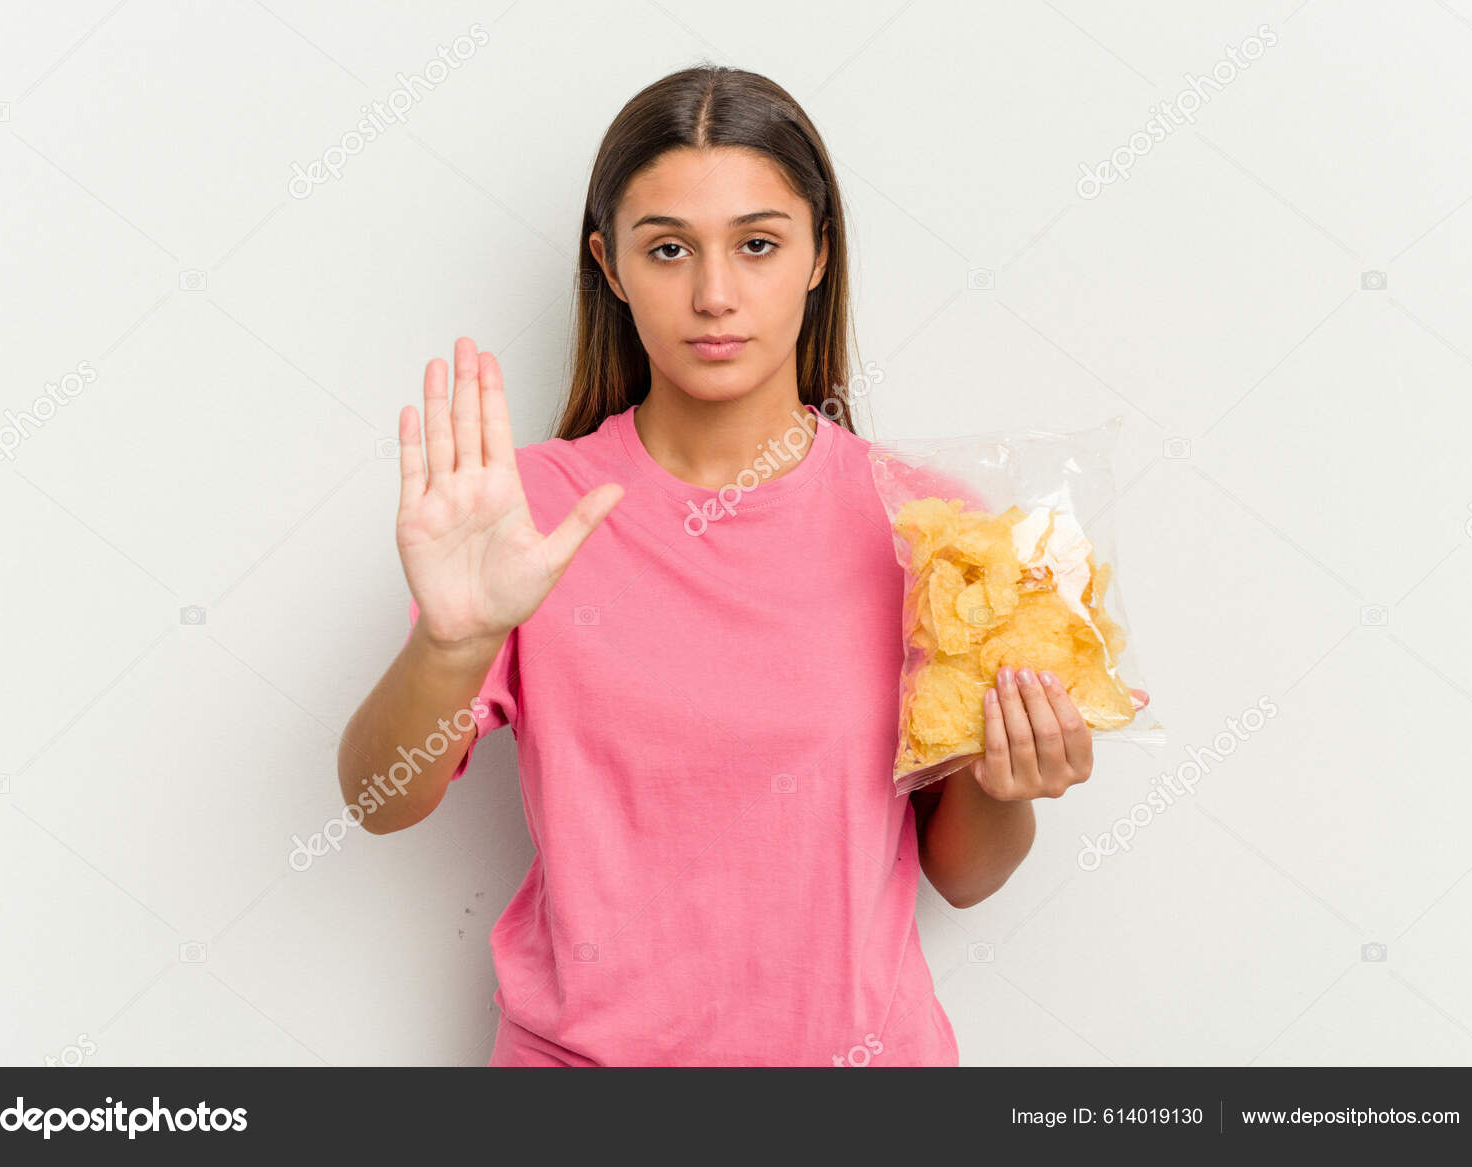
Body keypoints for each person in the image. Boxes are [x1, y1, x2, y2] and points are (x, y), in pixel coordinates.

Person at [337, 65, 1148, 1067]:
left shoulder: (924, 525)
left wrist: (1010, 781)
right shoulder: (529, 513)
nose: (714, 294)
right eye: (667, 249)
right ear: (610, 265)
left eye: (757, 245)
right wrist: (454, 646)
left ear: (816, 255)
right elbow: (377, 802)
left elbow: (964, 877)